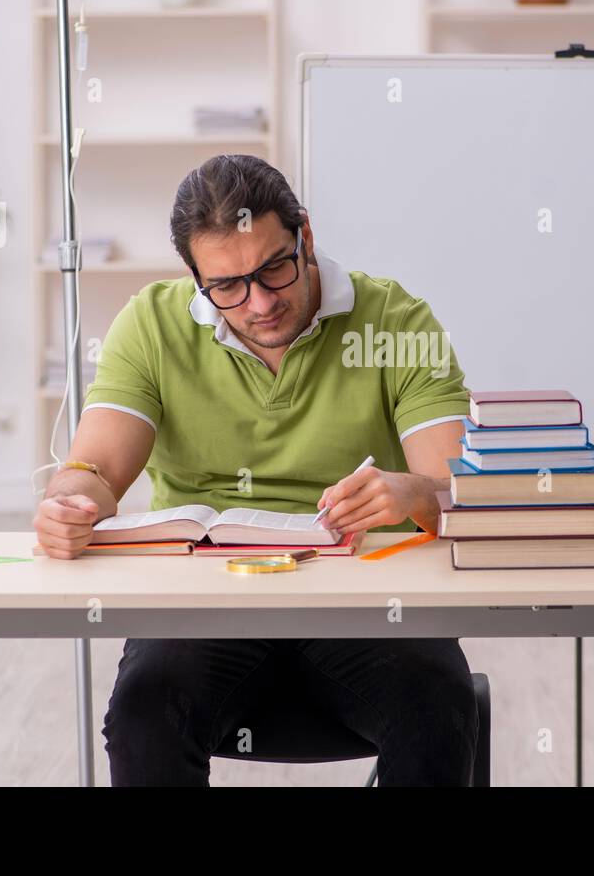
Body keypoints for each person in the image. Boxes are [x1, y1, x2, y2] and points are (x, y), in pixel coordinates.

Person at [32, 154, 477, 785]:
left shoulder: (395, 321)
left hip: (368, 603)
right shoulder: (152, 325)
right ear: (195, 280)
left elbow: (463, 493)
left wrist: (415, 493)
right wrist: (69, 502)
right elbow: (92, 470)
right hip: (204, 603)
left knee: (439, 707)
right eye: (227, 286)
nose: (260, 303)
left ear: (306, 236)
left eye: (275, 268)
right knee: (144, 714)